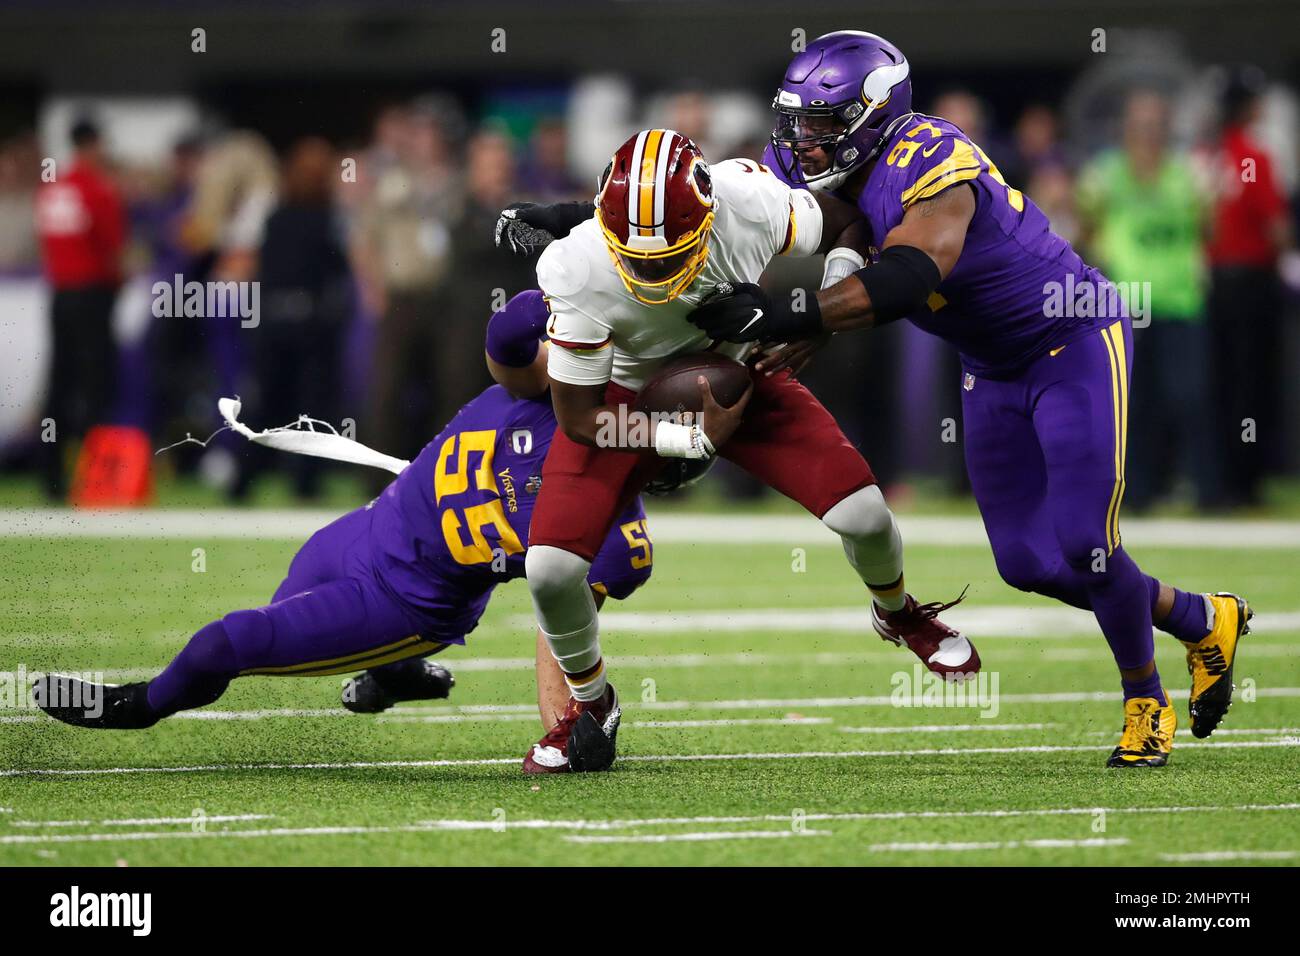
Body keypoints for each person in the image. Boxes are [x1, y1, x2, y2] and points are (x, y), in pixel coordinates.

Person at [686, 30, 1253, 768]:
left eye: (823, 124)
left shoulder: (933, 157)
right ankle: (1203, 618)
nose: (804, 142)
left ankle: (1144, 698)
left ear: (873, 114)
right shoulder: (824, 164)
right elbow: (817, 220)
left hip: (1071, 339)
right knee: (1025, 562)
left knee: (1085, 541)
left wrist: (796, 315)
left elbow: (913, 270)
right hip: (990, 363)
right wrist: (579, 219)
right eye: (797, 122)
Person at [507, 128, 974, 776]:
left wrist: (812, 318)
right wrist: (685, 440)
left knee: (867, 516)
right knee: (550, 571)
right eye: (637, 262)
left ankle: (897, 612)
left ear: (709, 221)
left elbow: (847, 224)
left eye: (669, 258)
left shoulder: (746, 203)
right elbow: (582, 419)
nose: (654, 276)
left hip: (737, 375)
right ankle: (592, 705)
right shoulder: (577, 265)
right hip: (625, 393)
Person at [33, 291, 658, 756]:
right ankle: (390, 674)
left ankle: (137, 705)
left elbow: (563, 617)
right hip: (367, 527)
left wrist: (574, 717)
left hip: (403, 600)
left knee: (231, 642)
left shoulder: (602, 505)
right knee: (287, 599)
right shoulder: (549, 381)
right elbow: (507, 335)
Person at [1076, 89, 1218, 510]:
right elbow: (1083, 230)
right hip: (1128, 301)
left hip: (1181, 299)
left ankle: (1206, 492)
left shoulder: (1188, 174)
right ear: (1125, 129)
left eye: (1155, 125)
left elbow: (1209, 230)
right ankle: (1136, 494)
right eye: (1140, 125)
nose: (1148, 133)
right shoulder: (1104, 175)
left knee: (1190, 397)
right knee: (1131, 403)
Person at [1203, 66, 1294, 507]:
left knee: (1220, 380)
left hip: (1214, 283)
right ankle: (1248, 480)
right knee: (1252, 382)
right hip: (1251, 281)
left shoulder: (1208, 154)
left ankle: (1220, 477)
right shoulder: (1251, 156)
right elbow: (1274, 223)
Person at [33, 117, 126, 500]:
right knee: (94, 384)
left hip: (60, 292)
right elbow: (112, 246)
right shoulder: (97, 188)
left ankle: (50, 474)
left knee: (59, 383)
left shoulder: (54, 187)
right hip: (92, 293)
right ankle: (95, 476)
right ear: (94, 143)